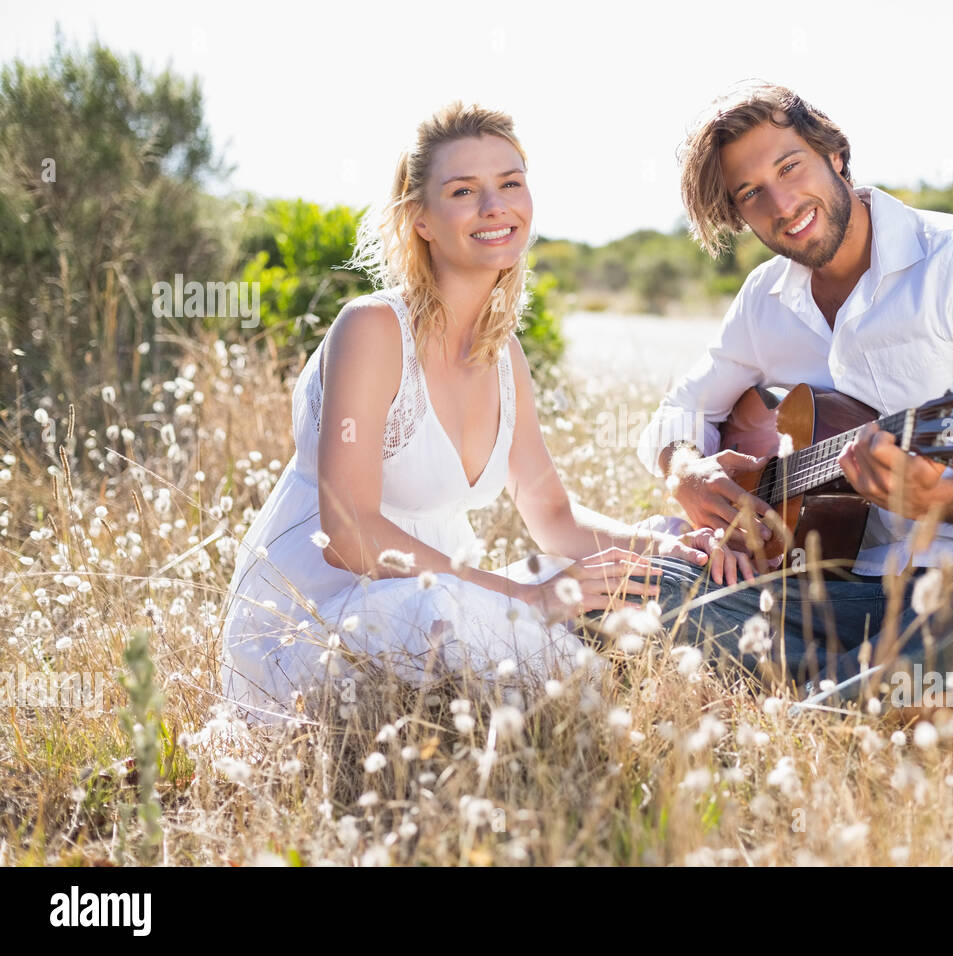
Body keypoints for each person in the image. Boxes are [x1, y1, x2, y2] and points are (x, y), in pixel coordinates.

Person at [636, 82, 953, 773]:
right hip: (835, 597)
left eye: (790, 167)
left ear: (836, 154)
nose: (780, 204)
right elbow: (683, 410)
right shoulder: (762, 302)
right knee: (637, 586)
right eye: (750, 194)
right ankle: (948, 688)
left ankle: (838, 704)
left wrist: (941, 500)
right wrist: (687, 469)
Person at [219, 102, 735, 724]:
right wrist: (525, 598)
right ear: (422, 219)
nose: (496, 207)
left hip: (451, 596)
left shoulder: (503, 353)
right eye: (464, 190)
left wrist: (667, 546)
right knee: (510, 633)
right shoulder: (374, 329)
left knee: (610, 584)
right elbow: (349, 536)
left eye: (510, 183)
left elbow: (553, 517)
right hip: (321, 615)